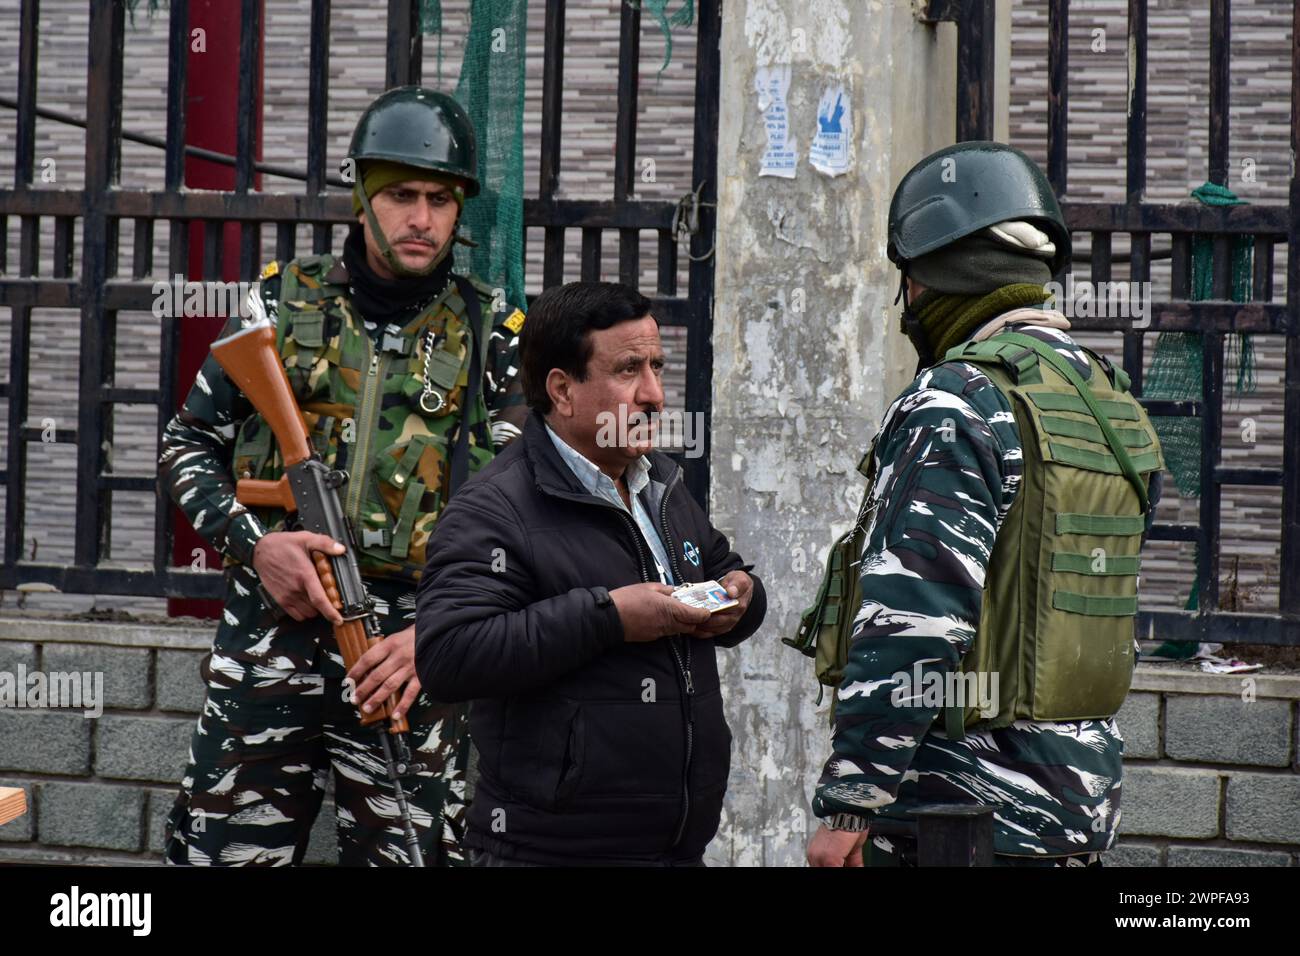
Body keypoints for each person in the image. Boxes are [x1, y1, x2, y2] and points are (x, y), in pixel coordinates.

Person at [159, 86, 528, 866]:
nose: (421, 219)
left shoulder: (493, 334)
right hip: (270, 634)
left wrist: (437, 636)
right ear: (362, 197)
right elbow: (188, 445)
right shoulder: (275, 304)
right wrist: (258, 545)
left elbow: (530, 522)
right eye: (400, 195)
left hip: (409, 655)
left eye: (439, 199)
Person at [806, 142, 1164, 867]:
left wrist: (852, 801)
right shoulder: (1106, 399)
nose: (905, 302)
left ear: (944, 276)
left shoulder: (959, 399)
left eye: (908, 280)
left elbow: (914, 616)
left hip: (961, 812)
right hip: (1076, 808)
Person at [415, 281, 767, 866]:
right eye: (629, 369)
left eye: (657, 366)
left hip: (676, 848)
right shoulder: (493, 508)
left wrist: (741, 596)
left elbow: (721, 567)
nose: (654, 394)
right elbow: (450, 656)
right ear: (562, 389)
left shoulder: (660, 483)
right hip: (548, 852)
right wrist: (611, 618)